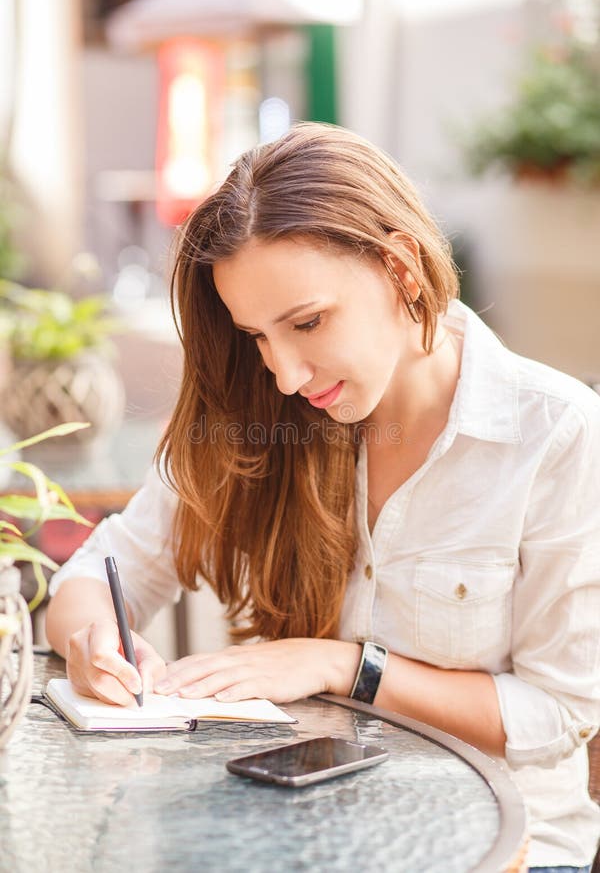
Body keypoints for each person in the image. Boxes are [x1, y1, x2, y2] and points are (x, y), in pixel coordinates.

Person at [46, 122, 600, 871]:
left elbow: (559, 713)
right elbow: (97, 571)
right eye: (257, 337)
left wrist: (345, 664)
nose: (284, 374)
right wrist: (95, 645)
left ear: (401, 267)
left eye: (307, 323)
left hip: (514, 848)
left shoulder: (555, 434)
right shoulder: (262, 416)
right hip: (299, 833)